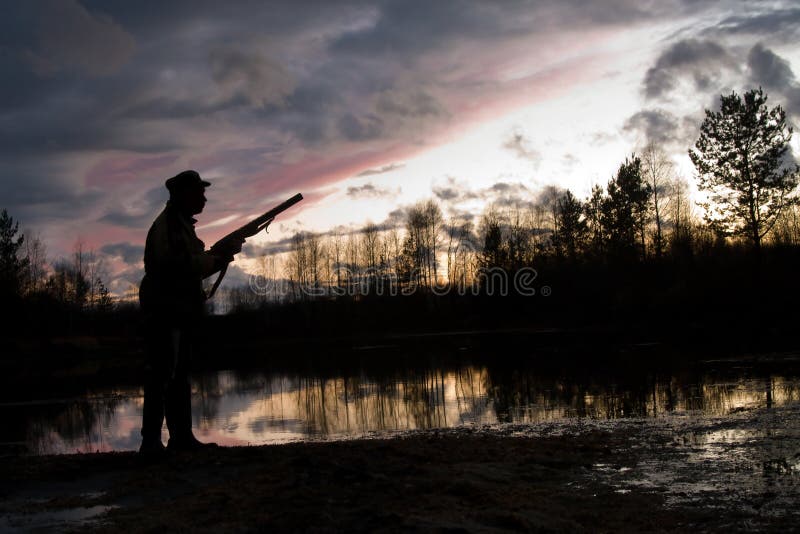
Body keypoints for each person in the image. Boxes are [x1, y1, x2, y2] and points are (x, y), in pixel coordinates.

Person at [138, 170, 242, 454]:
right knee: (162, 374)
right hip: (165, 309)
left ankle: (181, 438)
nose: (204, 198)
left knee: (177, 374)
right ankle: (151, 444)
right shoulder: (170, 225)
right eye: (199, 192)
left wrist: (219, 257)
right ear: (183, 194)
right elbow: (182, 266)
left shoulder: (179, 224)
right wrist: (218, 256)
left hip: (176, 309)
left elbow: (191, 267)